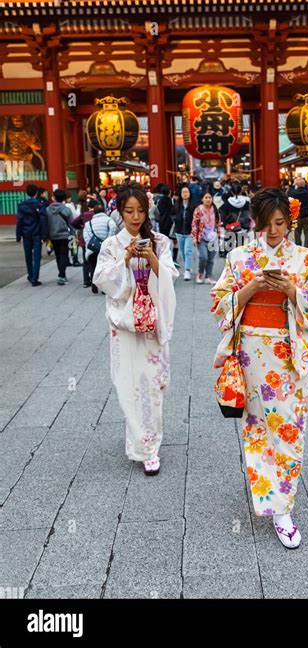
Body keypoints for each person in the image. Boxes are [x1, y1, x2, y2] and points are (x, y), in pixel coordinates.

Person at [210, 187, 308, 548]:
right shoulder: (239, 257)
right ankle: (274, 504)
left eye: (279, 223)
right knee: (257, 428)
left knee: (290, 427)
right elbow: (219, 304)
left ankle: (285, 504)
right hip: (250, 352)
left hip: (287, 355)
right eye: (266, 224)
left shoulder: (305, 259)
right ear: (256, 223)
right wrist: (250, 287)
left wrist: (292, 290)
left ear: (290, 222)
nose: (273, 231)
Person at [92, 183, 178, 476]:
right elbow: (102, 280)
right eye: (129, 210)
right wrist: (124, 260)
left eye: (141, 210)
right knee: (128, 383)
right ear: (119, 211)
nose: (136, 216)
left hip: (153, 324)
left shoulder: (161, 242)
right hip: (125, 326)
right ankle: (144, 448)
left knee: (154, 383)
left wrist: (154, 262)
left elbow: (170, 277)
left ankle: (148, 444)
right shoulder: (111, 246)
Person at [15, 183, 49, 286]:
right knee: (36, 256)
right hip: (37, 233)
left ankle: (30, 275)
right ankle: (35, 278)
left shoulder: (22, 205)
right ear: (36, 193)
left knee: (28, 255)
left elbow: (19, 221)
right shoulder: (39, 205)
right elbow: (43, 220)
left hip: (26, 233)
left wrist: (18, 235)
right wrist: (45, 235)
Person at [83, 202, 116, 293]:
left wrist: (92, 243)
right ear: (104, 211)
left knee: (93, 267)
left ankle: (94, 285)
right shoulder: (109, 220)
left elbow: (86, 235)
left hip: (92, 249)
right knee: (105, 267)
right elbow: (113, 228)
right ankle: (104, 288)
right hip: (105, 248)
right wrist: (108, 240)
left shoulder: (88, 223)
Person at [46, 189, 74, 285]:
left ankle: (62, 274)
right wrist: (73, 234)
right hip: (64, 235)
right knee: (64, 255)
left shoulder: (48, 209)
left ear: (54, 197)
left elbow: (46, 223)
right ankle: (62, 275)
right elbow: (71, 223)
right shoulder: (66, 209)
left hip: (53, 235)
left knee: (58, 255)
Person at [191, 191, 220, 284]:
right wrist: (194, 237)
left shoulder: (215, 209)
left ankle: (209, 276)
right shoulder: (198, 209)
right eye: (206, 198)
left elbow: (218, 223)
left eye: (209, 198)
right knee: (203, 257)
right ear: (202, 199)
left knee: (211, 259)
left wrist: (219, 235)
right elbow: (194, 224)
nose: (208, 199)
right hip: (202, 237)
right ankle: (200, 273)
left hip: (213, 237)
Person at [71, 197, 98, 288]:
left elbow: (73, 222)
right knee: (97, 261)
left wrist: (81, 227)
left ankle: (86, 281)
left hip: (85, 240)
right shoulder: (99, 214)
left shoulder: (84, 215)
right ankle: (96, 279)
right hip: (97, 241)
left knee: (86, 261)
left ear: (89, 207)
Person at [173, 185, 194, 281]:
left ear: (189, 194)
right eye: (183, 192)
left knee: (188, 251)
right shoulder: (177, 205)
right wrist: (176, 219)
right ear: (181, 194)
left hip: (190, 232)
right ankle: (187, 266)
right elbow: (172, 214)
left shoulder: (193, 205)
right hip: (179, 231)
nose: (185, 194)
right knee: (183, 252)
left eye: (187, 192)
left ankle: (187, 270)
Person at [288, 176, 308, 248]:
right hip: (307, 215)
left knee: (297, 233)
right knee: (307, 233)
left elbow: (289, 192)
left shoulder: (294, 193)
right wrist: (304, 183)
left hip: (296, 216)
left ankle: (298, 246)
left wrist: (293, 184)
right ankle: (307, 247)